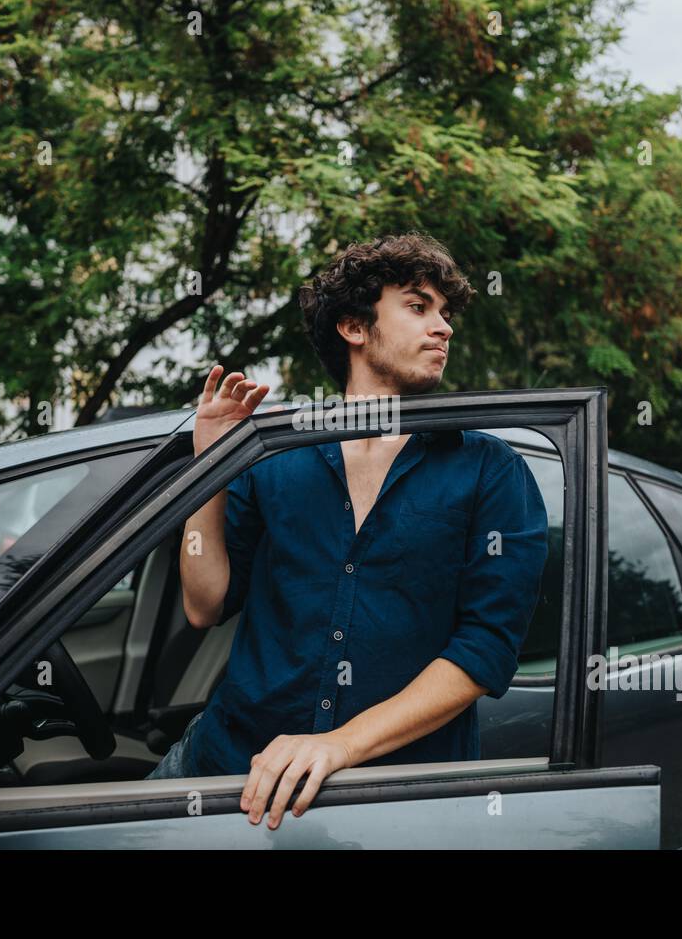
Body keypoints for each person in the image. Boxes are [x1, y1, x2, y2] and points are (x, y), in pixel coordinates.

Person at [145, 232, 549, 833]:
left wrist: (340, 745)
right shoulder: (272, 458)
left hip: (396, 799)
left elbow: (484, 649)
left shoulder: (492, 470)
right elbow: (205, 604)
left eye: (444, 312)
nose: (444, 328)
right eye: (418, 307)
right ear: (354, 328)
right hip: (229, 768)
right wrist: (210, 466)